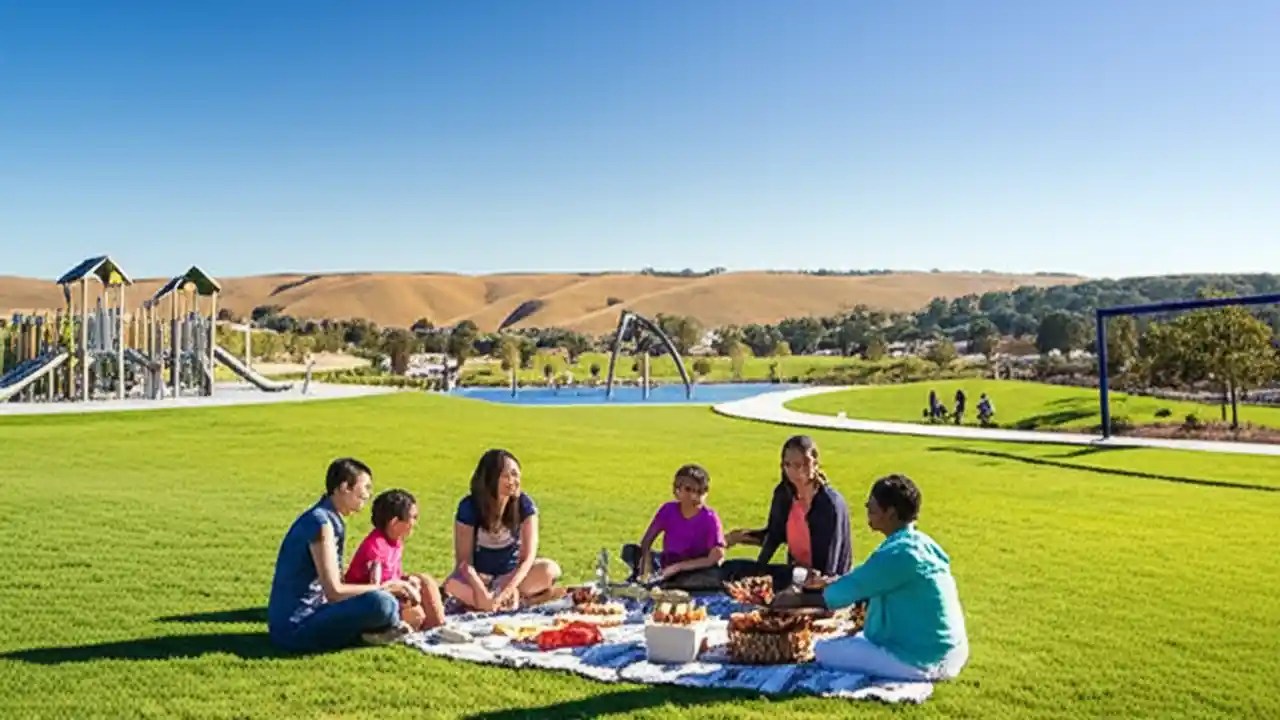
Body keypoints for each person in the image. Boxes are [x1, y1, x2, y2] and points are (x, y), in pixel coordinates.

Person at [815, 474, 969, 681]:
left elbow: (843, 593)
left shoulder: (901, 553)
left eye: (871, 507)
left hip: (923, 661)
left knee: (822, 649)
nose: (867, 511)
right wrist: (832, 583)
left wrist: (798, 598)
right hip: (952, 651)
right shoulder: (922, 544)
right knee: (850, 639)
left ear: (890, 513)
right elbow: (868, 577)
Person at [267, 458, 421, 652]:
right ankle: (366, 634)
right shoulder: (320, 524)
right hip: (297, 628)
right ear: (344, 487)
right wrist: (386, 587)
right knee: (383, 602)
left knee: (384, 601)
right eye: (364, 487)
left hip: (316, 613)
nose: (368, 494)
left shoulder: (329, 519)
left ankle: (368, 633)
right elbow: (334, 591)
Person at [724, 435, 853, 589]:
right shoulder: (784, 494)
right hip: (795, 573)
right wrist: (738, 537)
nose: (795, 471)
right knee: (731, 569)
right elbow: (773, 535)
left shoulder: (830, 504)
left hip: (824, 581)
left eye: (801, 464)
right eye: (788, 465)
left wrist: (817, 585)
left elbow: (831, 564)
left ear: (815, 463)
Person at [444, 449, 562, 611]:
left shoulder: (524, 506)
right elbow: (464, 563)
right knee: (453, 585)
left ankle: (499, 602)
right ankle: (500, 603)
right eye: (507, 476)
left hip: (510, 577)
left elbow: (527, 558)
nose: (513, 481)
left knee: (549, 569)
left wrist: (508, 589)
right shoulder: (469, 507)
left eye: (516, 475)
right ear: (491, 479)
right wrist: (480, 588)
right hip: (478, 578)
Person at [344, 488, 446, 631]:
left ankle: (439, 626)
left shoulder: (395, 542)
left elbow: (394, 576)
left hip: (392, 595)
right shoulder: (376, 547)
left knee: (425, 580)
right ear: (394, 522)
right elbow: (376, 588)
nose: (415, 523)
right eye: (413, 517)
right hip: (369, 604)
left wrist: (409, 583)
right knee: (417, 614)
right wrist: (404, 588)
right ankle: (435, 628)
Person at [621, 463, 727, 590]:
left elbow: (716, 557)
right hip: (668, 563)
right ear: (677, 491)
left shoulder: (710, 518)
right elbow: (646, 542)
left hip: (695, 568)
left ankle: (665, 582)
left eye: (700, 491)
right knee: (630, 551)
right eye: (688, 490)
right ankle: (655, 579)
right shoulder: (668, 510)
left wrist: (678, 567)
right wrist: (646, 566)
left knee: (710, 577)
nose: (694, 496)